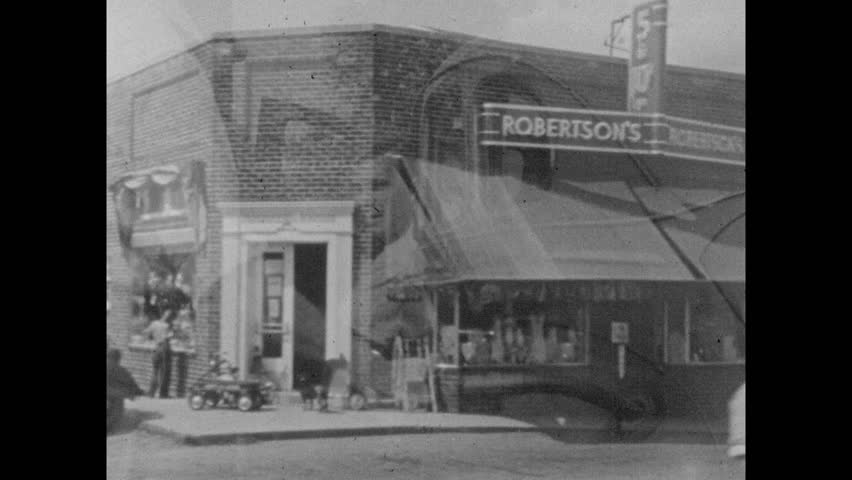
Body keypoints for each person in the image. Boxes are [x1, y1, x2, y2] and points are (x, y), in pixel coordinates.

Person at [143, 310, 174, 398]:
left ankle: (151, 393)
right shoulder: (167, 326)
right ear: (170, 318)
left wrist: (151, 339)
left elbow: (145, 332)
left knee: (155, 371)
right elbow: (169, 337)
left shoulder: (154, 324)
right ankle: (163, 394)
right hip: (164, 347)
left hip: (156, 348)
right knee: (164, 372)